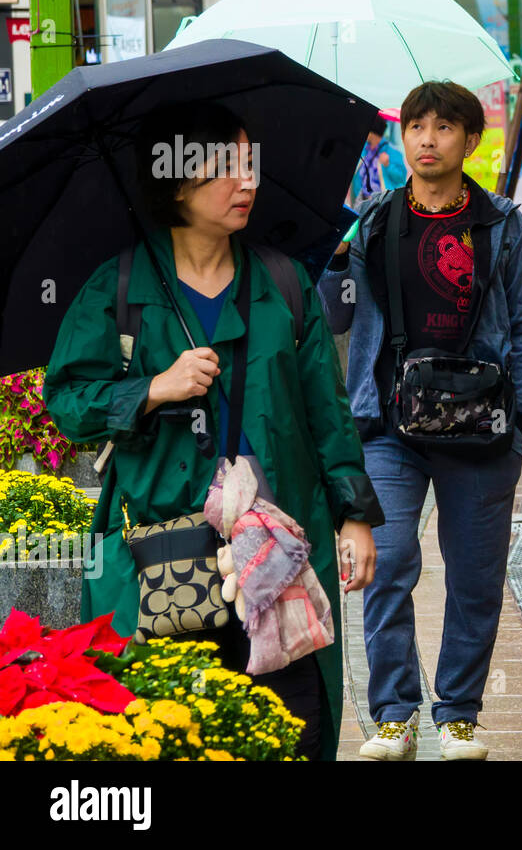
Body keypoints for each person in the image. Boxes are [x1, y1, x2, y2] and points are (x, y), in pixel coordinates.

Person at [44, 101, 382, 762]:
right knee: (176, 727)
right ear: (174, 181)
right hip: (165, 550)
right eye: (224, 166)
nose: (246, 181)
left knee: (295, 726)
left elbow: (326, 410)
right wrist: (151, 388)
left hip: (279, 549)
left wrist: (355, 517)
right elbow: (68, 399)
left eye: (249, 163)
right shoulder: (118, 288)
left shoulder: (283, 282)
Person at [318, 80, 522, 761]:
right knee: (385, 563)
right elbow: (342, 319)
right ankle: (393, 713)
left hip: (482, 427)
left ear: (470, 141)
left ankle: (457, 714)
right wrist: (332, 268)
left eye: (444, 128)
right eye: (415, 126)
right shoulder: (378, 221)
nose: (426, 139)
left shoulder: (502, 226)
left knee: (475, 575)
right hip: (391, 426)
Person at [349, 113, 409, 208]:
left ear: (373, 133)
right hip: (359, 201)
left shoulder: (392, 152)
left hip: (380, 204)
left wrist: (388, 165)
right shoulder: (364, 149)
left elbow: (401, 178)